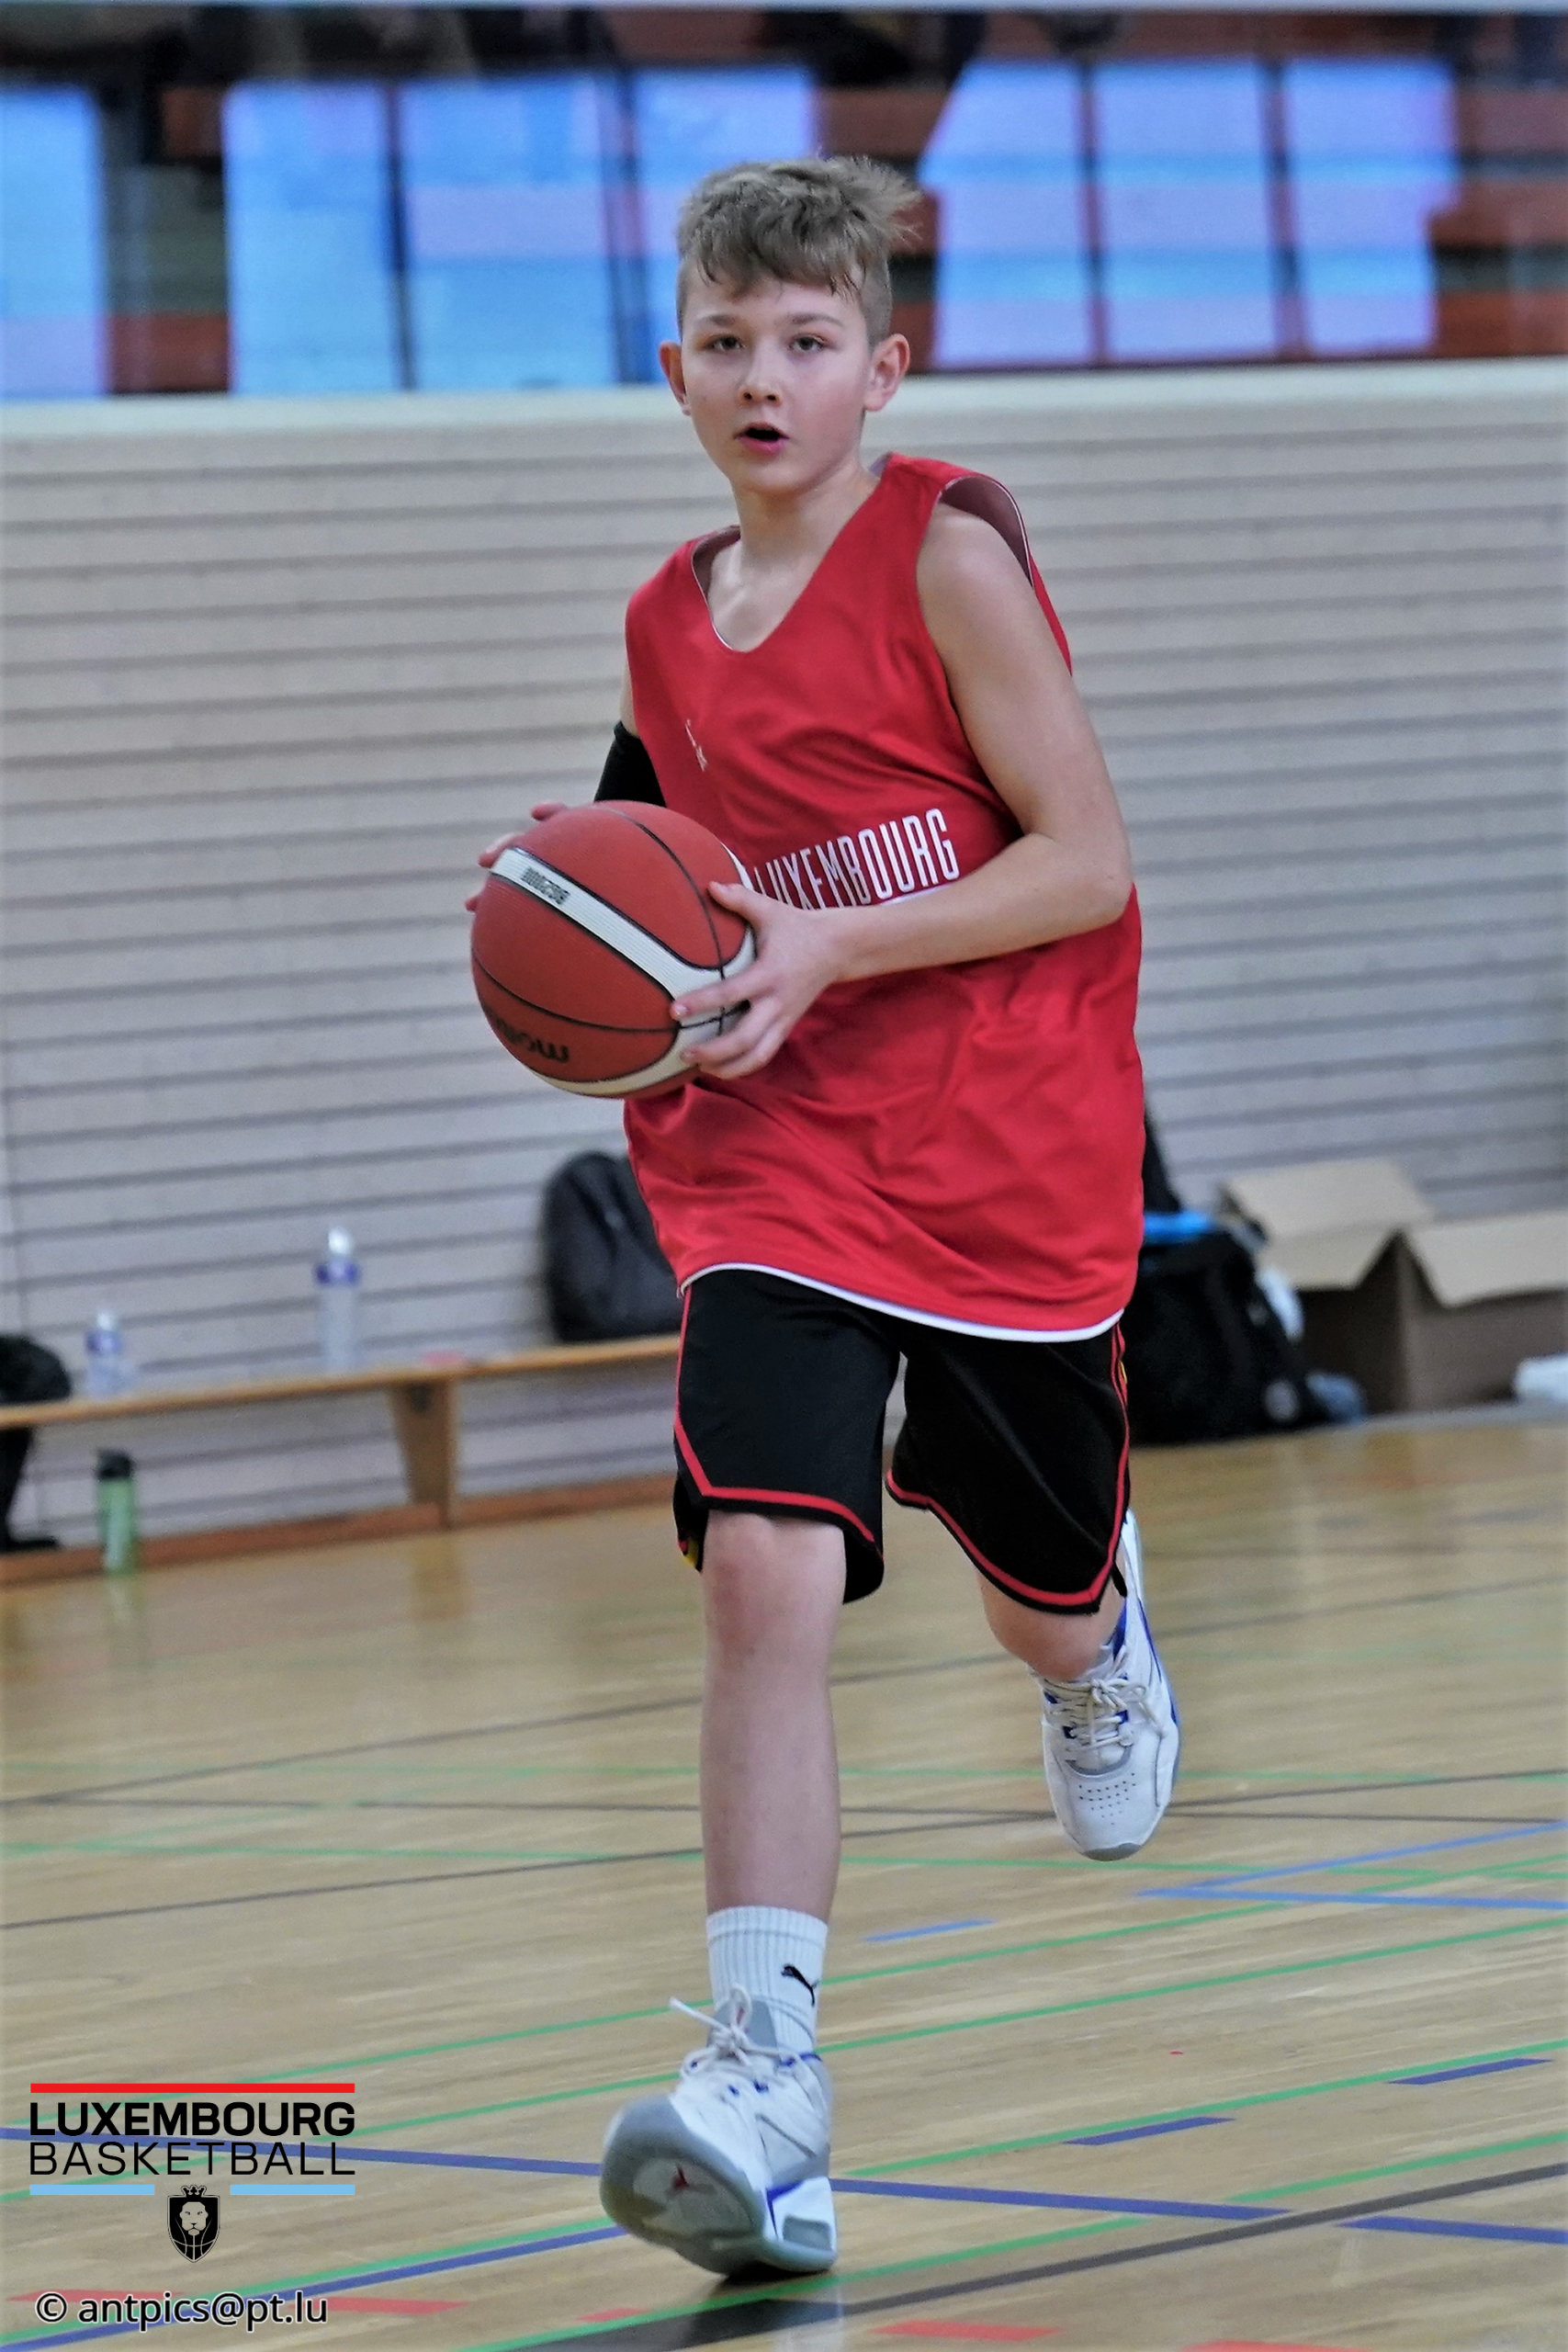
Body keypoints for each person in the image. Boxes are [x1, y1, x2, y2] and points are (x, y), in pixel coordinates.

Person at [474, 156, 1178, 2281]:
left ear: (884, 366)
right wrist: (592, 906)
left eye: (805, 344)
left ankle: (1091, 1635)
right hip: (774, 1161)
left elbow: (1084, 862)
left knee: (1032, 1568)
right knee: (765, 1562)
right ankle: (762, 2075)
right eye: (724, 341)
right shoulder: (662, 621)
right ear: (670, 361)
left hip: (1004, 1150)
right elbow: (670, 847)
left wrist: (822, 949)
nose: (761, 377)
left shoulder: (943, 556)